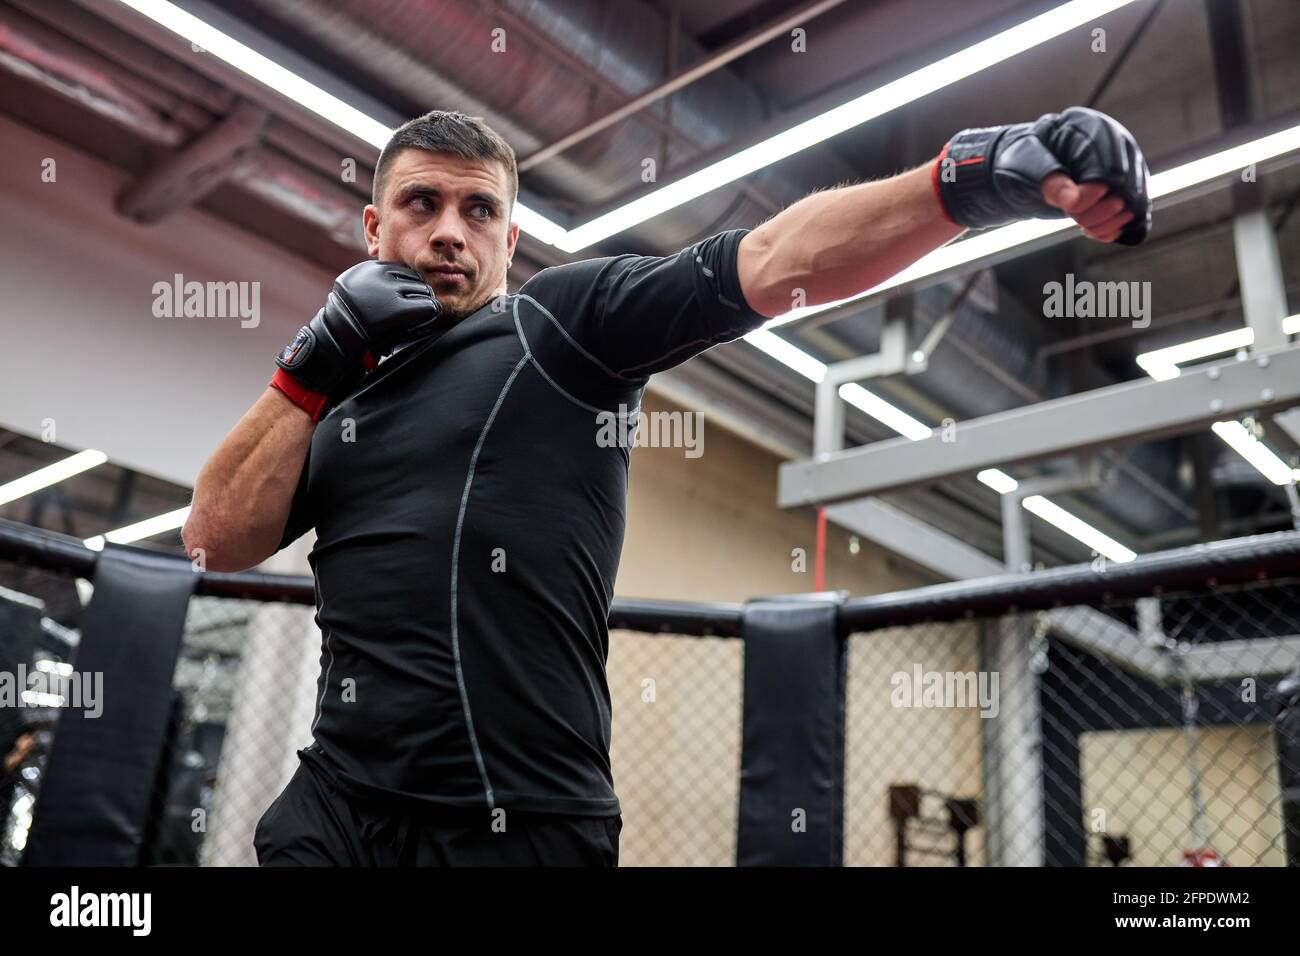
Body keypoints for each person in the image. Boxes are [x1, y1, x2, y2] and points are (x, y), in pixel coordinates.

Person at [182, 107, 1150, 866]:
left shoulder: (557, 328)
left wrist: (970, 175)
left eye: (478, 211)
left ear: (509, 241)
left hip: (517, 824)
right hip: (338, 807)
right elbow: (214, 538)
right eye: (421, 204)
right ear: (371, 225)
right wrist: (308, 363)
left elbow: (772, 260)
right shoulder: (330, 389)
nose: (448, 233)